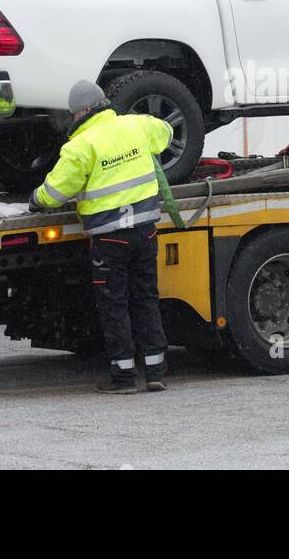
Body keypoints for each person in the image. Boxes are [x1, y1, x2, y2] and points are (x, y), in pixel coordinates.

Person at [29, 80, 173, 395]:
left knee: (115, 305)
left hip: (110, 238)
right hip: (146, 229)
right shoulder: (136, 126)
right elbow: (167, 132)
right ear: (103, 103)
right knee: (146, 298)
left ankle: (123, 378)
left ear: (80, 112)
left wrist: (35, 199)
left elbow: (55, 192)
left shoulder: (80, 146)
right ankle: (155, 373)